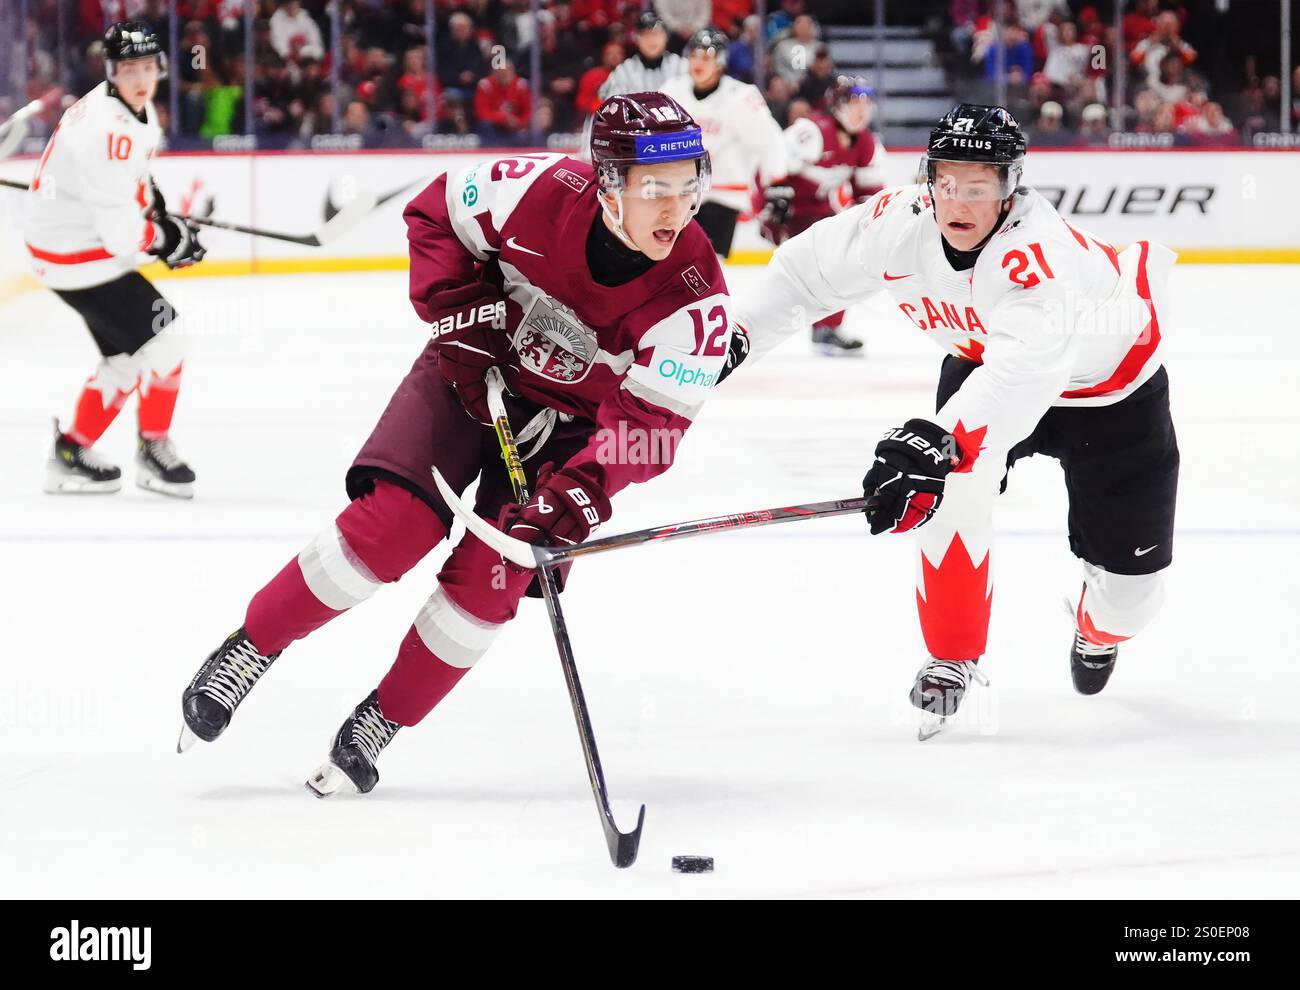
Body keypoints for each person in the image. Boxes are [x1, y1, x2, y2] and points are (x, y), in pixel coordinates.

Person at [177, 93, 742, 796]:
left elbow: (655, 424)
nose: (677, 208)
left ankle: (383, 718)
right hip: (470, 369)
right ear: (605, 181)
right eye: (655, 188)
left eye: (691, 184)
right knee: (389, 530)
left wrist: (584, 489)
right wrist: (455, 311)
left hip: (564, 437)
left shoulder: (697, 299)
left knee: (489, 586)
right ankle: (251, 648)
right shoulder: (536, 190)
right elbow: (437, 210)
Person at [735, 105, 1179, 731]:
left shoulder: (1036, 260)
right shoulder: (901, 221)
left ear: (1010, 187)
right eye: (946, 181)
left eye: (979, 185)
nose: (958, 201)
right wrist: (735, 337)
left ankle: (1097, 626)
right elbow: (808, 275)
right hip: (983, 366)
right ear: (928, 179)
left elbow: (1024, 377)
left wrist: (934, 443)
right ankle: (952, 656)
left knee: (1132, 599)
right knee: (950, 490)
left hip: (1113, 397)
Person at [23, 21, 205, 498]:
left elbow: (133, 187)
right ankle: (154, 448)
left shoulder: (127, 107)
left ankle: (71, 452)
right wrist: (167, 238)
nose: (141, 78)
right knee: (170, 338)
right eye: (129, 69)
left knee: (127, 355)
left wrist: (159, 213)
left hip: (68, 249)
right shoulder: (108, 133)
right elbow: (122, 235)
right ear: (112, 71)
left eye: (148, 67)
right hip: (77, 257)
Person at [762, 76, 887, 354]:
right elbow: (773, 158)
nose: (861, 111)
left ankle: (827, 327)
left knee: (843, 262)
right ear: (838, 105)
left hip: (821, 215)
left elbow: (868, 191)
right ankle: (814, 326)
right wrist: (773, 201)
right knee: (822, 266)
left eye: (866, 104)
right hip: (792, 212)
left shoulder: (866, 142)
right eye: (855, 103)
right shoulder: (813, 130)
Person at [662, 27, 787, 258]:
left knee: (712, 264)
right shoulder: (672, 92)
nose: (698, 63)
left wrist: (776, 184)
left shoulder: (741, 96)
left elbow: (770, 138)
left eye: (706, 57)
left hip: (724, 196)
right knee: (673, 263)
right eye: (695, 56)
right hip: (681, 194)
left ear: (719, 62)